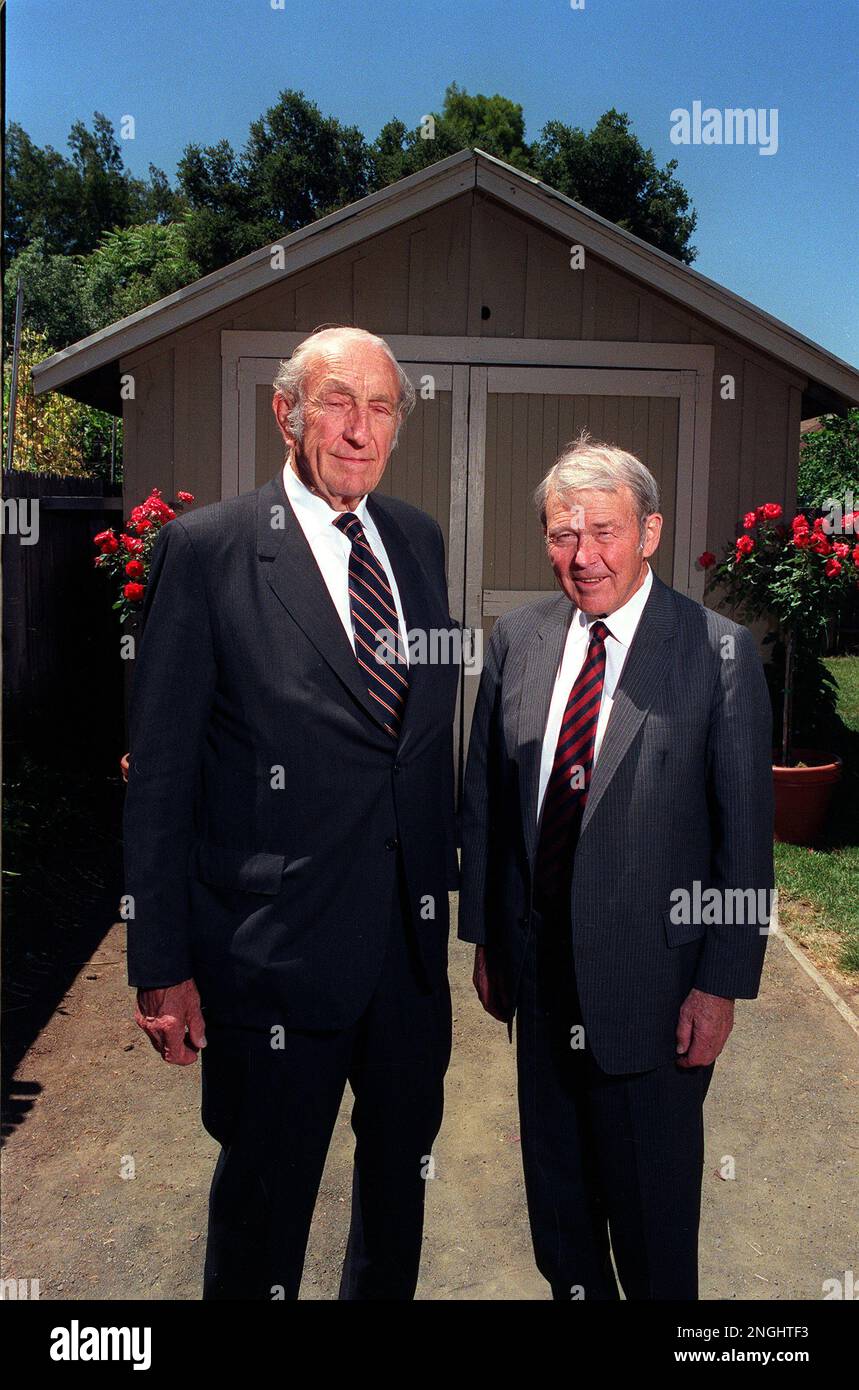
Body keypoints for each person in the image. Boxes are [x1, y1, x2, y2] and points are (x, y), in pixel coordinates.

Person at [124, 325, 459, 1300]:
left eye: (381, 407)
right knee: (262, 1214)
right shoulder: (208, 551)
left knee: (396, 1201)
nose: (359, 429)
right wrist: (160, 964)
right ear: (287, 413)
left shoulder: (417, 540)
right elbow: (160, 778)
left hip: (406, 955)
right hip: (272, 956)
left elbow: (416, 743)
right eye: (337, 403)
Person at [458, 436, 774, 1300]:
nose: (583, 555)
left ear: (649, 533)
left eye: (603, 531)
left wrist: (719, 987)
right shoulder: (518, 639)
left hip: (654, 999)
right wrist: (485, 938)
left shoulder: (715, 653)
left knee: (651, 1238)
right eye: (563, 535)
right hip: (539, 985)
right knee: (560, 1230)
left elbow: (743, 843)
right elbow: (487, 800)